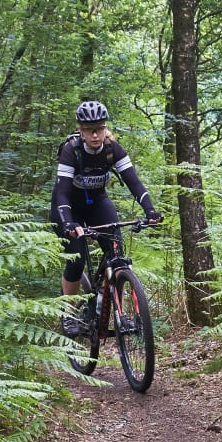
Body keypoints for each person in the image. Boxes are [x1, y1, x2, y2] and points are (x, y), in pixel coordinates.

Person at [50, 101, 162, 336]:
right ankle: (69, 314)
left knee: (117, 256)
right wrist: (69, 223)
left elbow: (134, 182)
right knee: (77, 259)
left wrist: (150, 210)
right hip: (69, 208)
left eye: (99, 128)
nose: (95, 134)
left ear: (105, 128)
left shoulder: (113, 150)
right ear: (80, 130)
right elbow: (61, 191)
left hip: (98, 204)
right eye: (89, 129)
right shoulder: (72, 150)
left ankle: (116, 311)